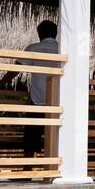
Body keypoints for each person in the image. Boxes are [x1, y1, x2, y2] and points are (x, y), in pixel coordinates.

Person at [22, 21, 59, 163]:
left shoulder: (34, 48)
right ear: (56, 33)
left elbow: (16, 69)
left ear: (39, 33)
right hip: (58, 100)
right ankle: (57, 167)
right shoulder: (63, 49)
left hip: (38, 100)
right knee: (56, 135)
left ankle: (27, 168)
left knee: (31, 134)